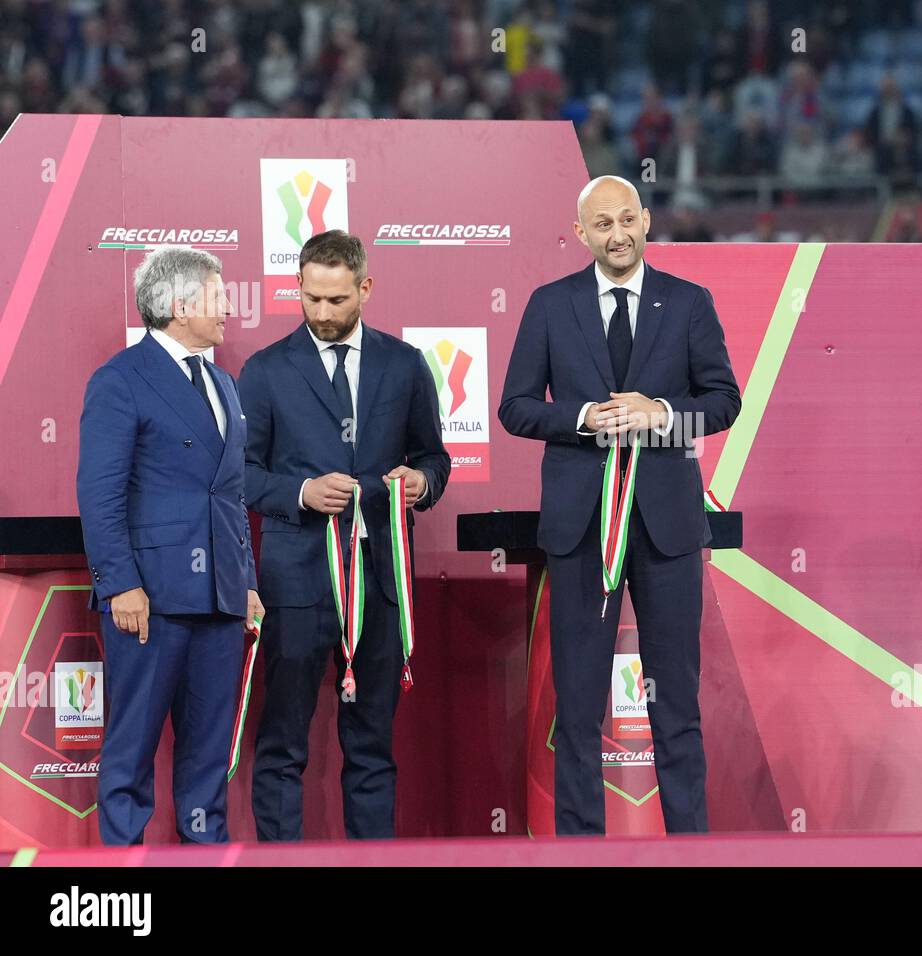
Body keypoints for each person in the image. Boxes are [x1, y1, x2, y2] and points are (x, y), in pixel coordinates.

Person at [499, 176, 741, 834]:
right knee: (578, 702)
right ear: (581, 234)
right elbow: (514, 408)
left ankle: (690, 844)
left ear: (646, 220)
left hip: (666, 527)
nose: (618, 234)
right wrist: (583, 418)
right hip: (580, 529)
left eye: (627, 219)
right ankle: (583, 847)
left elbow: (723, 402)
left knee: (676, 702)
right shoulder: (551, 305)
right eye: (602, 224)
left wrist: (659, 413)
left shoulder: (689, 303)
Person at [239, 230, 450, 841]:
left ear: (365, 288)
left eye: (336, 301)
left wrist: (421, 482)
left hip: (381, 581)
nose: (323, 314)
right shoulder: (266, 370)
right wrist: (301, 494)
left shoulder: (405, 364)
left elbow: (434, 459)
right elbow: (241, 477)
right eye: (311, 300)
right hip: (296, 580)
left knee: (372, 745)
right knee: (281, 744)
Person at [77, 246, 262, 845]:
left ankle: (204, 859)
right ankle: (118, 880)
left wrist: (248, 582)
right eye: (217, 295)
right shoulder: (119, 380)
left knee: (208, 757)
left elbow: (229, 496)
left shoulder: (224, 383)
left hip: (220, 599)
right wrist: (121, 583)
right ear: (181, 306)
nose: (228, 307)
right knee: (130, 749)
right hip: (149, 600)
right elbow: (99, 494)